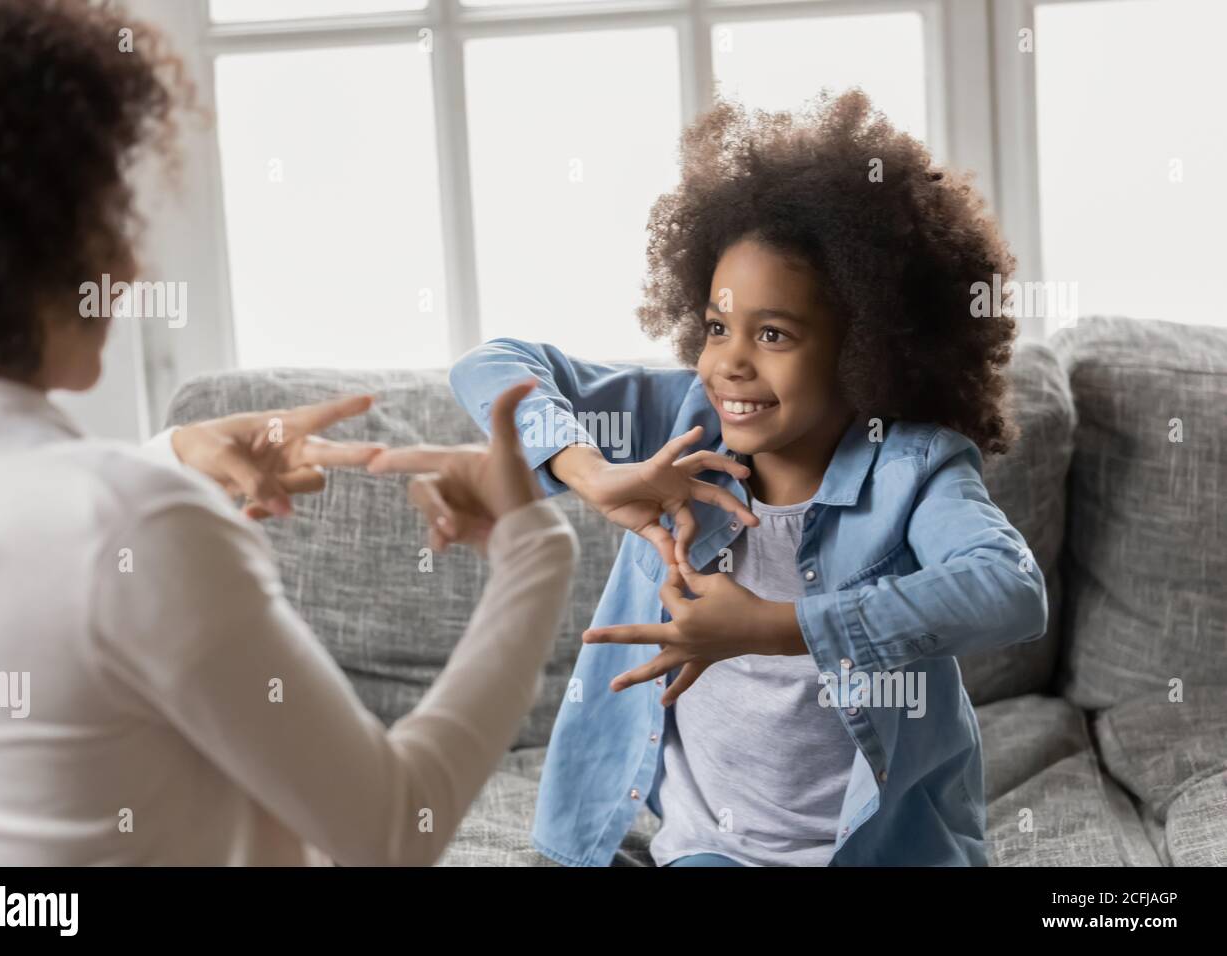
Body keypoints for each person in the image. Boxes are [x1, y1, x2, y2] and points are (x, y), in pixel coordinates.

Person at [0, 0, 578, 865]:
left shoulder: (86, 506)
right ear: (37, 243)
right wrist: (536, 553)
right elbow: (391, 829)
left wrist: (171, 458)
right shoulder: (132, 524)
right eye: (110, 217)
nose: (128, 267)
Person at [437, 92, 1049, 867]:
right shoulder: (683, 422)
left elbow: (1011, 591)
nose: (730, 360)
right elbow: (489, 366)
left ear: (868, 347)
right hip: (715, 849)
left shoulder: (913, 468)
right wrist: (591, 474)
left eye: (773, 334)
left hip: (884, 849)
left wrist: (769, 626)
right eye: (719, 326)